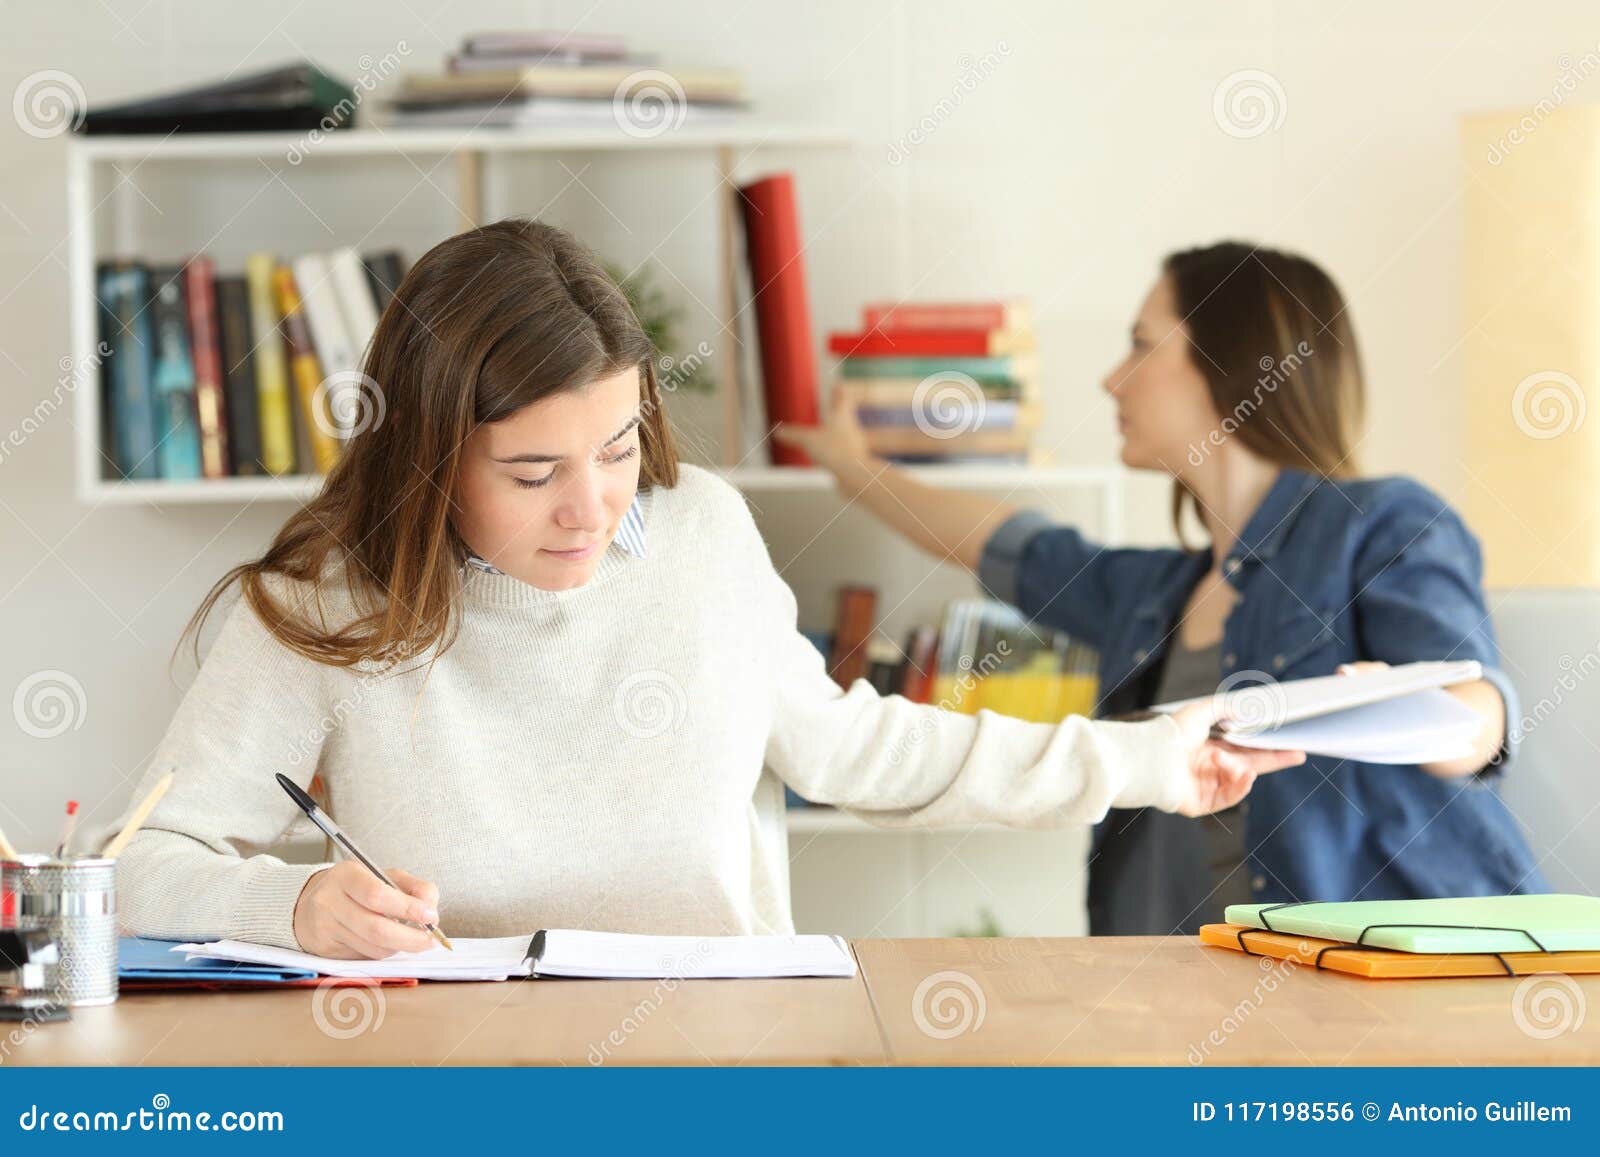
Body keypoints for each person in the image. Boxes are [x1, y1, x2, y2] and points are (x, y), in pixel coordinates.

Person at [106, 221, 1301, 960]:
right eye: (533, 471)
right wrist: (300, 904)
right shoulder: (330, 601)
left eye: (619, 448)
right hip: (454, 1069)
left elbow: (857, 750)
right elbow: (137, 867)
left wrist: (1147, 760)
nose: (593, 508)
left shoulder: (701, 536)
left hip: (720, 1060)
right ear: (428, 456)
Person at [777, 241, 1546, 936]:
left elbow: (1480, 714)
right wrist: (848, 465)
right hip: (1203, 1014)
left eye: (1142, 345)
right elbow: (995, 538)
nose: (1113, 378)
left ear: (1234, 361)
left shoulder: (1382, 523)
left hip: (1415, 997)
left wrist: (1409, 712)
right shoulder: (1151, 594)